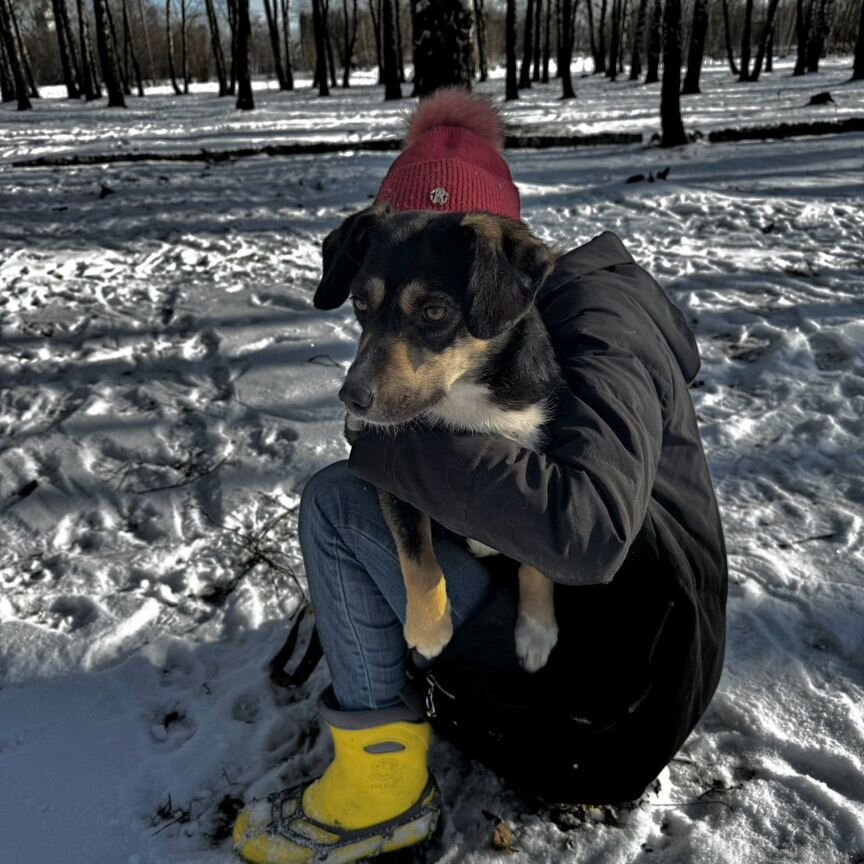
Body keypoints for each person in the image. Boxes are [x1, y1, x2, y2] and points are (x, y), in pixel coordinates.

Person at [232, 90, 728, 864]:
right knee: (392, 495)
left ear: (492, 274)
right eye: (370, 308)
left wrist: (384, 444)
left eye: (431, 312)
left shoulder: (601, 326)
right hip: (613, 664)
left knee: (337, 504)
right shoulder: (524, 318)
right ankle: (404, 669)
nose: (369, 364)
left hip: (613, 710)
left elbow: (587, 534)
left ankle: (381, 791)